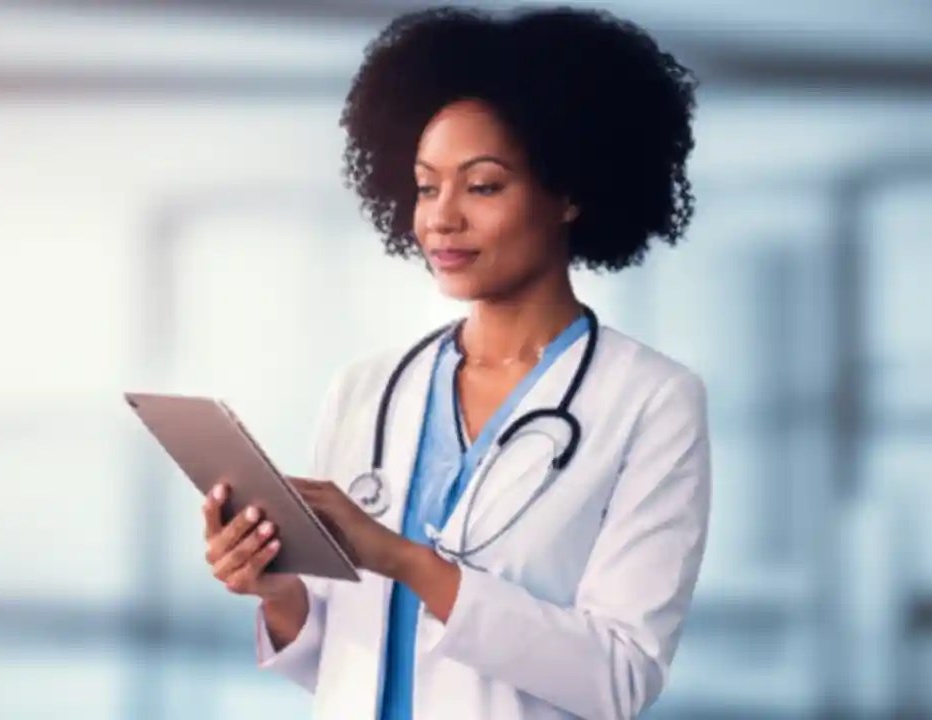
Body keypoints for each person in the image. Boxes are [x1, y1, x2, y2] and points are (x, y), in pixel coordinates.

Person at [200, 6, 710, 719]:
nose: (441, 217)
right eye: (426, 185)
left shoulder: (652, 401)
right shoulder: (367, 389)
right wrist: (277, 590)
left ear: (570, 192)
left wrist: (404, 559)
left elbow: (620, 677)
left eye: (483, 185)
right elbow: (337, 657)